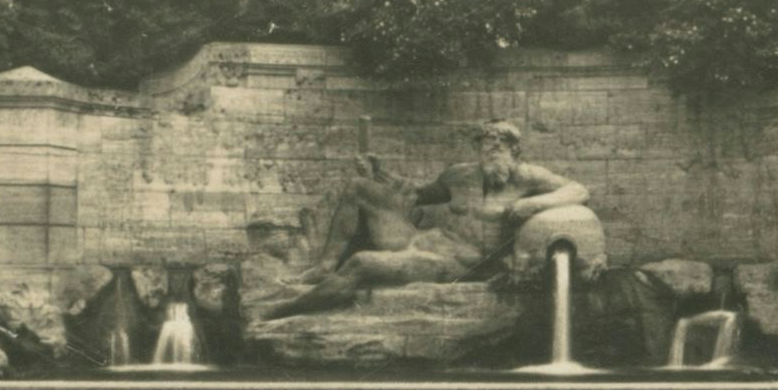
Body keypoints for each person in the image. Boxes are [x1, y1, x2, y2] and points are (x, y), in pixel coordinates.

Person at [251, 121, 591, 319]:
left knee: (362, 262)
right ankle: (325, 267)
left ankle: (278, 312)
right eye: (486, 145)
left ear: (515, 151)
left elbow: (578, 190)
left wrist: (533, 204)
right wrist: (379, 172)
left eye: (500, 146)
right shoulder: (459, 175)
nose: (492, 151)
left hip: (454, 265)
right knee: (358, 187)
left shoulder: (529, 177)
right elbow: (414, 194)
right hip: (420, 241)